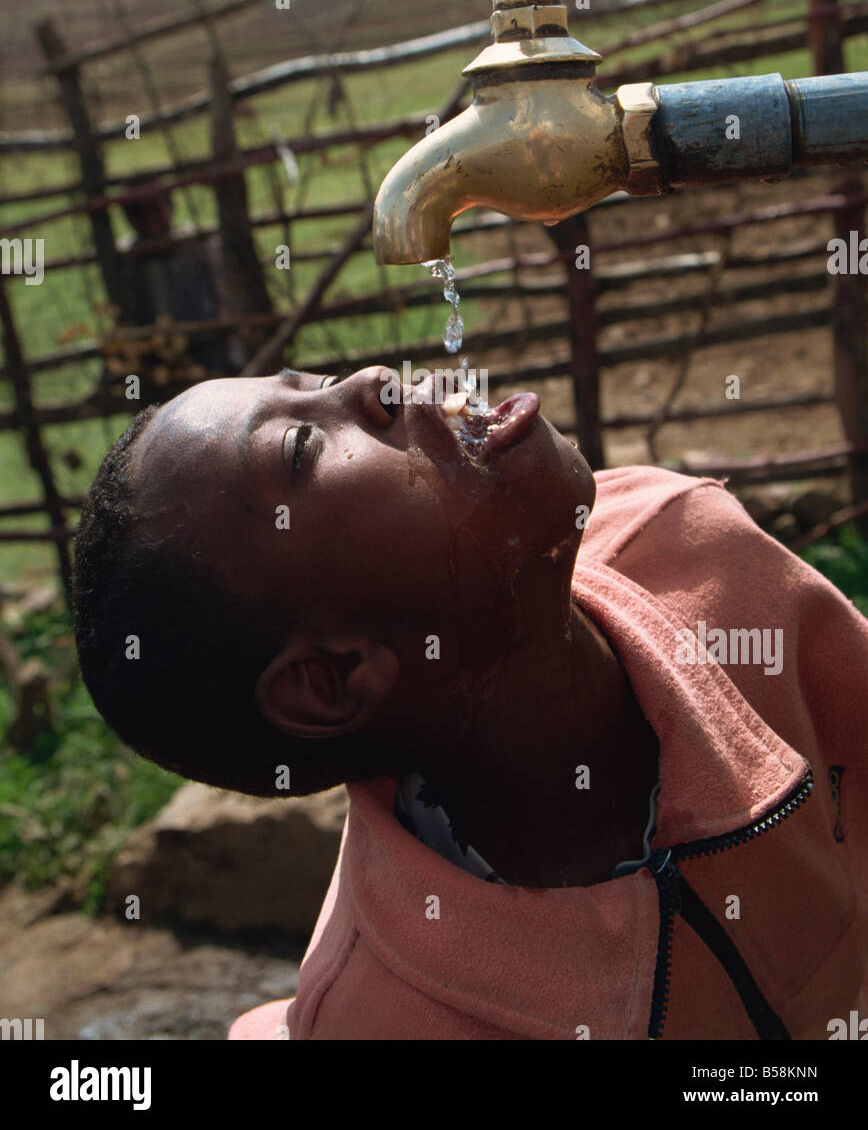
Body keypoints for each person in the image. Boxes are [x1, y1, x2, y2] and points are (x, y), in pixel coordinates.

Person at [73, 365, 868, 1040]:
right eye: (301, 447)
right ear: (334, 677)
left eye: (315, 379)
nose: (374, 380)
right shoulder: (380, 1016)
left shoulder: (690, 551)